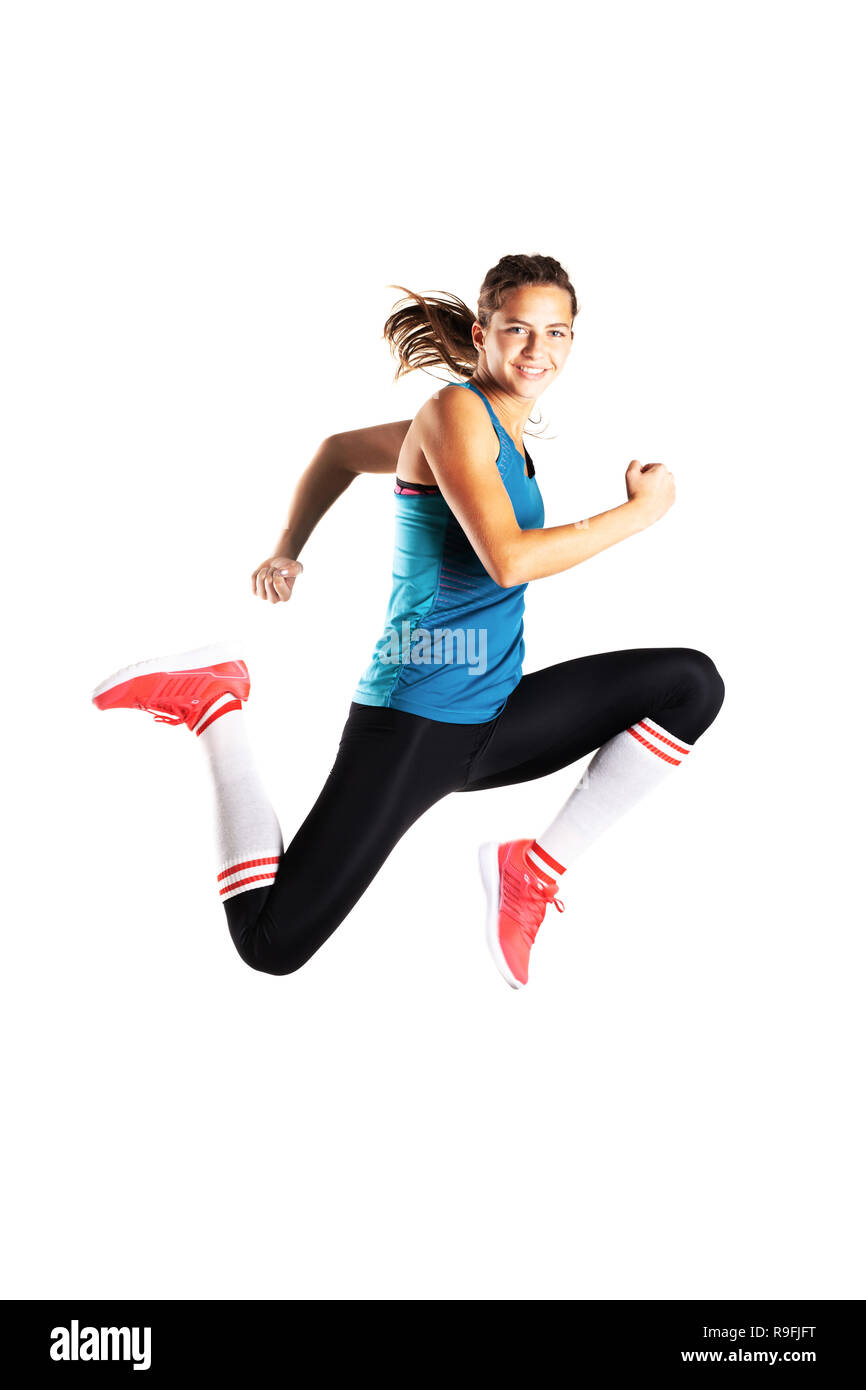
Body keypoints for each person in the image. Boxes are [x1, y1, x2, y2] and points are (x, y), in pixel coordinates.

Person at [91, 252, 725, 989]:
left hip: (492, 713)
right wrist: (636, 516)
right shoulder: (455, 412)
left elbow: (337, 453)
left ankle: (532, 870)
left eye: (556, 333)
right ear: (484, 332)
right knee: (270, 943)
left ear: (573, 342)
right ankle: (214, 706)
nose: (536, 350)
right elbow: (508, 561)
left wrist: (288, 552)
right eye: (517, 330)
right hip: (417, 716)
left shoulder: (499, 432)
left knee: (689, 684)